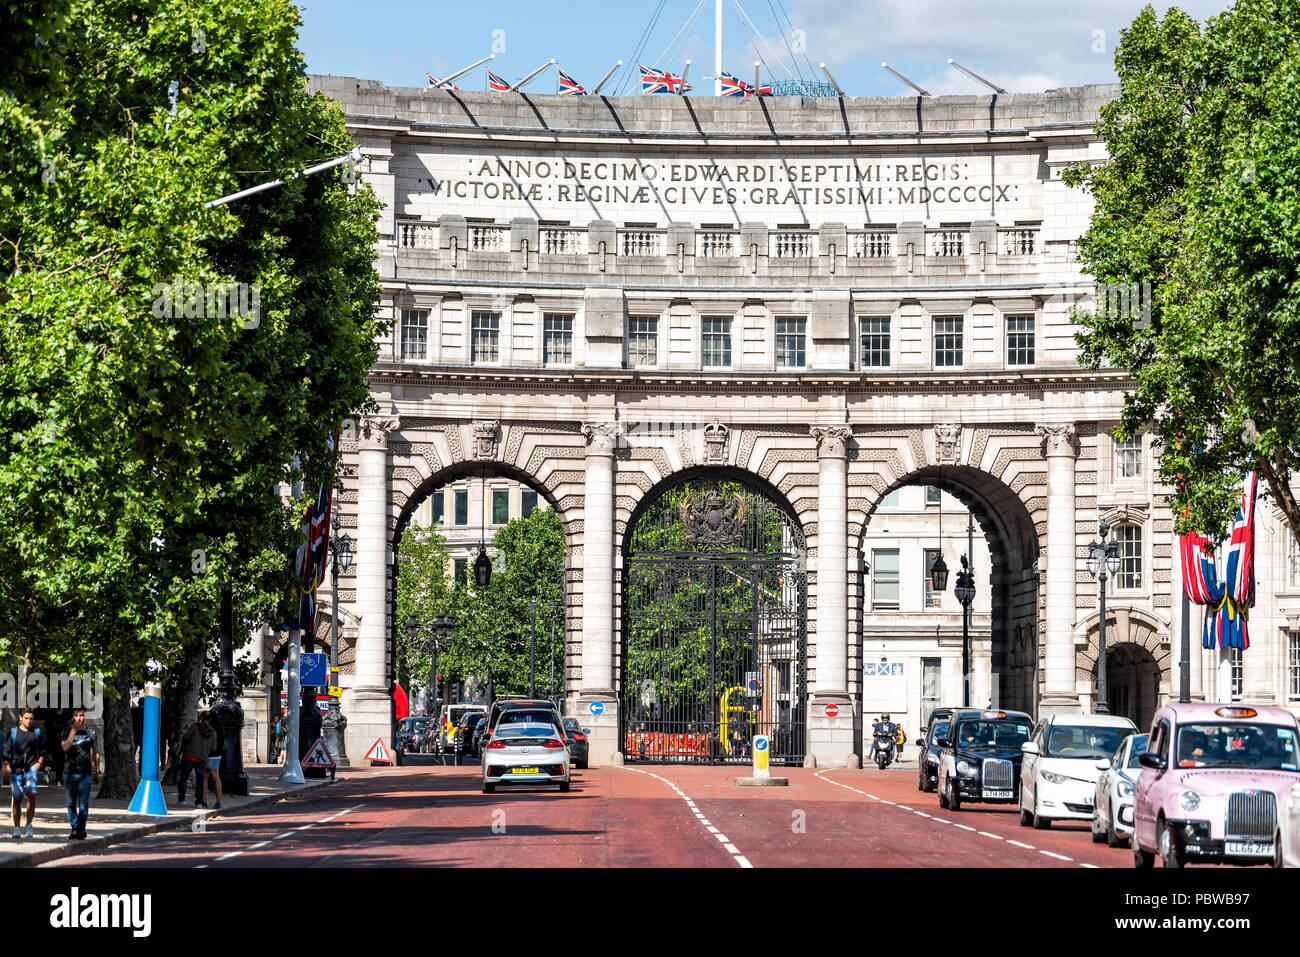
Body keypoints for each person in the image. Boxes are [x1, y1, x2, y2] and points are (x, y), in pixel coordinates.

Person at [3, 708, 45, 839]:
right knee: (17, 799)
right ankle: (17, 827)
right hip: (16, 770)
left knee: (31, 795)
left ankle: (29, 825)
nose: (29, 721)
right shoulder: (13, 732)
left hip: (31, 769)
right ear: (21, 717)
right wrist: (7, 765)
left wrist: (38, 764)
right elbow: (6, 752)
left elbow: (43, 751)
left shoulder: (36, 732)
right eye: (26, 718)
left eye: (31, 718)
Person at [61, 707, 99, 840]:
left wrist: (97, 770)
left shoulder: (91, 733)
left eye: (81, 715)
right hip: (70, 772)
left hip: (85, 773)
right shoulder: (66, 731)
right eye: (76, 715)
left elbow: (95, 752)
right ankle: (75, 827)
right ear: (72, 717)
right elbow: (65, 747)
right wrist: (73, 730)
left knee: (83, 804)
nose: (79, 718)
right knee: (70, 803)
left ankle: (81, 829)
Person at [177, 712, 215, 808]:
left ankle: (181, 799)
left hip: (189, 756)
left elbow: (186, 737)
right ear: (210, 719)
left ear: (201, 718)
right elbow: (213, 748)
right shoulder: (213, 732)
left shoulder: (194, 727)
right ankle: (199, 802)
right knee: (200, 780)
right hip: (202, 758)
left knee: (184, 778)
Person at [205, 714, 224, 809]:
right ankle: (218, 801)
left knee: (204, 778)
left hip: (206, 755)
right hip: (216, 756)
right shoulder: (220, 728)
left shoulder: (207, 728)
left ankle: (203, 801)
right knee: (216, 778)